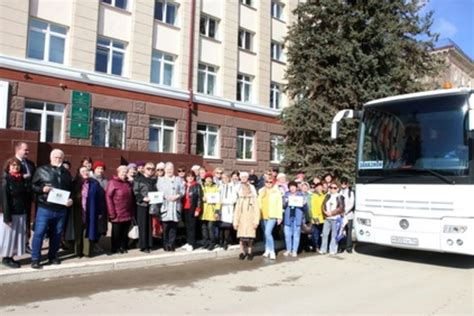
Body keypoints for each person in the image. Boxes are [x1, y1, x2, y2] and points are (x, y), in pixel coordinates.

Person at [30, 149, 73, 269]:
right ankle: (35, 259)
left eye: (60, 157)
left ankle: (52, 256)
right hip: (45, 208)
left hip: (61, 209)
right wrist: (41, 189)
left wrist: (71, 200)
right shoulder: (41, 170)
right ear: (50, 158)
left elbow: (71, 190)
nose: (58, 159)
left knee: (57, 234)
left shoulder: (66, 173)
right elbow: (33, 186)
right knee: (39, 233)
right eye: (55, 157)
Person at [66, 166, 106, 258]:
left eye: (87, 171)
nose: (85, 172)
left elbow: (100, 199)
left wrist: (99, 212)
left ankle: (87, 252)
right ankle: (78, 252)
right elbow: (71, 195)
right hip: (78, 211)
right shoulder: (75, 183)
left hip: (91, 211)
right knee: (78, 231)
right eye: (83, 171)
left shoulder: (94, 183)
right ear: (79, 173)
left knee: (88, 230)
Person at [1, 158, 28, 268]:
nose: (15, 167)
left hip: (20, 212)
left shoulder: (20, 179)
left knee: (15, 237)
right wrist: (7, 217)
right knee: (8, 236)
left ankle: (11, 256)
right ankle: (6, 258)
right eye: (12, 166)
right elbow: (5, 200)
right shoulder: (5, 180)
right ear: (8, 167)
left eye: (17, 166)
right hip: (11, 213)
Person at [106, 165, 135, 254]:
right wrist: (111, 212)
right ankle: (115, 248)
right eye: (122, 172)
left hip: (127, 211)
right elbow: (108, 197)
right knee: (116, 232)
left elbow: (132, 196)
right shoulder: (112, 182)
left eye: (125, 172)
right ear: (118, 172)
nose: (124, 174)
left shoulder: (128, 183)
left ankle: (123, 246)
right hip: (117, 212)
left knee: (125, 231)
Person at [156, 162, 184, 252]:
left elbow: (183, 191)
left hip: (175, 206)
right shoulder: (160, 180)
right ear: (164, 170)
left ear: (173, 170)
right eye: (167, 169)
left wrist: (178, 196)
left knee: (173, 227)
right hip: (166, 206)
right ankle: (165, 244)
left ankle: (172, 244)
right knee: (165, 227)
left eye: (171, 169)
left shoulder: (178, 179)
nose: (169, 170)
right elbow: (159, 191)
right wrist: (166, 196)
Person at [13, 142, 36, 254]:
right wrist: (22, 177)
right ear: (17, 149)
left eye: (28, 150)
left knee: (26, 221)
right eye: (25, 150)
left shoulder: (30, 164)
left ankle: (26, 243)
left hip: (28, 198)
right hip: (16, 199)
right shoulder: (12, 163)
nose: (27, 152)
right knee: (15, 223)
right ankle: (13, 247)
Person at [133, 162, 157, 253]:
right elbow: (136, 192)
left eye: (152, 169)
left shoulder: (154, 180)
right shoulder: (138, 179)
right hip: (142, 205)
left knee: (149, 225)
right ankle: (143, 245)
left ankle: (149, 244)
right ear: (144, 169)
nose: (150, 170)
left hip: (151, 205)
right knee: (143, 225)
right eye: (148, 168)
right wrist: (143, 198)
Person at [257, 176, 282, 260]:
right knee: (265, 233)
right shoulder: (261, 191)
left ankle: (272, 251)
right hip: (263, 215)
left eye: (270, 182)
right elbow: (258, 203)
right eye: (267, 182)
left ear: (273, 182)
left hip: (272, 215)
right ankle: (267, 249)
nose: (269, 183)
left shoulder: (276, 191)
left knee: (268, 232)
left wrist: (279, 217)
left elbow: (279, 205)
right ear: (265, 182)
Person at [233, 183, 260, 261]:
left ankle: (250, 252)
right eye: (243, 189)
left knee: (250, 239)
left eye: (246, 189)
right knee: (241, 239)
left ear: (249, 190)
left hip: (250, 222)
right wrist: (235, 222)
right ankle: (242, 252)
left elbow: (256, 211)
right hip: (241, 222)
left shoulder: (254, 199)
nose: (245, 191)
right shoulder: (239, 199)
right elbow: (236, 212)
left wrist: (256, 222)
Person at [282, 181, 308, 257]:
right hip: (288, 217)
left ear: (296, 187)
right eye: (291, 187)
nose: (292, 188)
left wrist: (304, 204)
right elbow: (282, 206)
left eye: (294, 186)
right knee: (287, 235)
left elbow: (306, 208)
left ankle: (294, 250)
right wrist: (285, 202)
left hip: (297, 217)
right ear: (289, 188)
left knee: (296, 235)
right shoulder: (285, 196)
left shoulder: (301, 195)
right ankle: (288, 249)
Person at [320, 182, 345, 255]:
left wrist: (332, 213)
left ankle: (333, 249)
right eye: (331, 187)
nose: (332, 189)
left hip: (335, 218)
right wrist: (325, 212)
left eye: (334, 188)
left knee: (334, 235)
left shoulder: (340, 196)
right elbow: (323, 205)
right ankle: (323, 249)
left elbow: (341, 208)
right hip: (327, 218)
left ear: (337, 189)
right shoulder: (327, 196)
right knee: (324, 234)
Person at [181, 171, 202, 251]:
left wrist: (197, 209)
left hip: (192, 208)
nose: (190, 178)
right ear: (186, 177)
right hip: (185, 208)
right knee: (187, 226)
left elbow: (199, 199)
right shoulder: (184, 186)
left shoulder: (197, 185)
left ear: (194, 177)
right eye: (188, 176)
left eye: (191, 176)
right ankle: (188, 242)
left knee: (192, 227)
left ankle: (192, 244)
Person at [200, 172, 220, 250]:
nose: (208, 180)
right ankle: (205, 242)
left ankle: (212, 243)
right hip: (203, 211)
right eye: (207, 178)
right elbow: (199, 197)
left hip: (211, 211)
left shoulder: (215, 188)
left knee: (210, 228)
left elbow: (218, 201)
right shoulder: (202, 187)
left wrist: (217, 211)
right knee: (204, 229)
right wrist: (202, 199)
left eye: (210, 178)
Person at [218, 173, 238, 250]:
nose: (224, 179)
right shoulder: (220, 186)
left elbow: (234, 198)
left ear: (229, 178)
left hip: (229, 208)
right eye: (223, 178)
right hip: (221, 208)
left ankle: (226, 241)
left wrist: (225, 202)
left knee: (227, 225)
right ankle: (221, 240)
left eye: (226, 177)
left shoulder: (232, 187)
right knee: (221, 225)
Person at [338, 177, 355, 253]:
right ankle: (340, 246)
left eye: (345, 183)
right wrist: (340, 211)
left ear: (347, 184)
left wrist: (345, 211)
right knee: (340, 231)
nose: (343, 185)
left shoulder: (350, 192)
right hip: (340, 215)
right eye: (342, 183)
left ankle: (349, 247)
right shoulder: (339, 191)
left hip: (348, 215)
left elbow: (351, 203)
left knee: (348, 232)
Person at [309, 182, 325, 252]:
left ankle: (320, 246)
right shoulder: (314, 196)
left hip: (323, 218)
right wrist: (315, 218)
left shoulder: (324, 195)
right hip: (316, 219)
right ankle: (316, 246)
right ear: (316, 188)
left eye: (320, 187)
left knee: (321, 234)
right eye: (318, 187)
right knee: (315, 234)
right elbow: (313, 208)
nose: (319, 188)